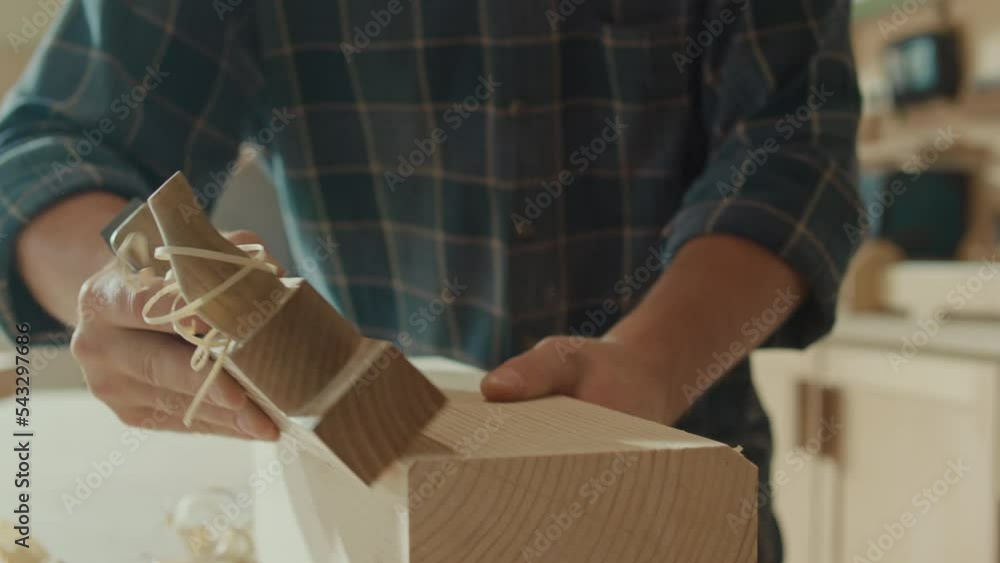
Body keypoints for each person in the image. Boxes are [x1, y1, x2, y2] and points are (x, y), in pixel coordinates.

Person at [0, 0, 861, 560]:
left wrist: (654, 362)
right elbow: (44, 151)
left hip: (671, 481)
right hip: (364, 487)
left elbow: (792, 157)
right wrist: (121, 285)